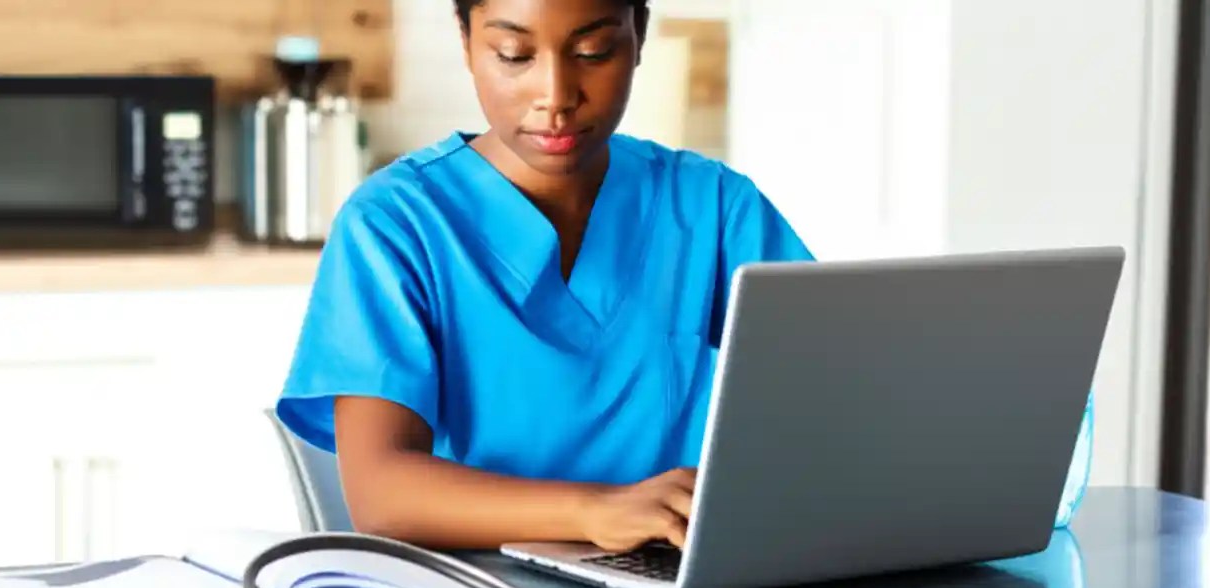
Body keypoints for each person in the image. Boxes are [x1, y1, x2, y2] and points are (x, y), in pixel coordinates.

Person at [276, 0, 815, 553]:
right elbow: (381, 496)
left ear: (639, 35)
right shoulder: (396, 223)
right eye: (514, 54)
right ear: (465, 41)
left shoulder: (716, 207)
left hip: (683, 584)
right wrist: (593, 512)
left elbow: (839, 401)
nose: (556, 96)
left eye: (593, 52)